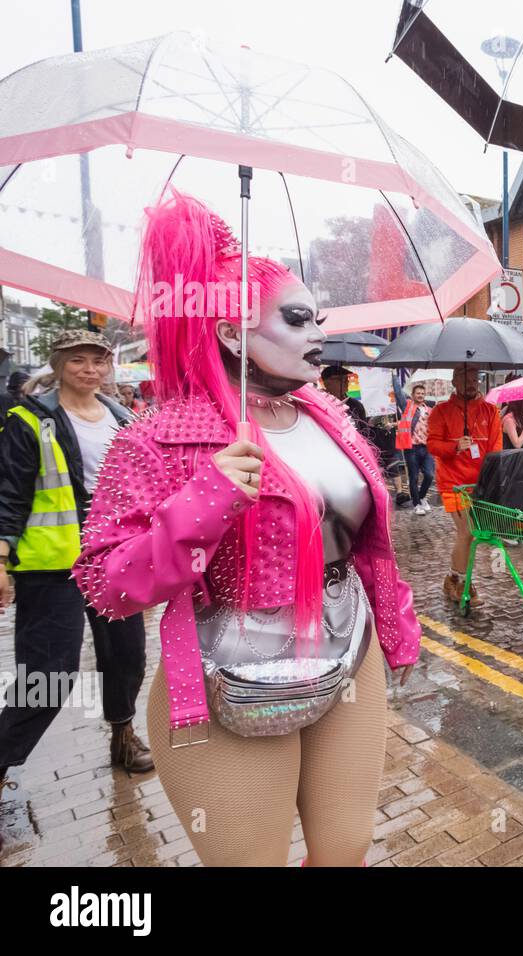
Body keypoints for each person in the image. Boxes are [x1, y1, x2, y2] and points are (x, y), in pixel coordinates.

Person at [71, 190, 421, 866]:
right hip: (225, 671)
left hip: (350, 647)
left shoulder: (329, 415)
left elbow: (372, 541)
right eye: (295, 318)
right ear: (232, 333)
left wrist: (398, 627)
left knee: (345, 849)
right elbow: (108, 584)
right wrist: (206, 499)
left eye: (317, 316)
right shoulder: (159, 440)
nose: (318, 331)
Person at [0, 330, 152, 797]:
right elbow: (8, 494)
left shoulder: (122, 417)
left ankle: (123, 737)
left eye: (98, 361)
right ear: (59, 363)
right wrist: (2, 559)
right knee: (49, 675)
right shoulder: (28, 419)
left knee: (126, 657)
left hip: (114, 559)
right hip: (50, 566)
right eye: (78, 361)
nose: (90, 370)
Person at [428, 364, 502, 607]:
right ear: (454, 380)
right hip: (453, 484)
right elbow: (433, 446)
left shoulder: (491, 412)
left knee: (468, 535)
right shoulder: (440, 412)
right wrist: (455, 446)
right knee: (467, 533)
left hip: (479, 486)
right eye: (464, 376)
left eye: (474, 376)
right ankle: (462, 584)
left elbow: (495, 451)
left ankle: (452, 578)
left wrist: (492, 485)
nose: (471, 381)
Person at [395, 383, 435, 514]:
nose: (420, 395)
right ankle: (417, 504)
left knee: (429, 475)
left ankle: (422, 497)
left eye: (422, 393)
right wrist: (394, 376)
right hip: (412, 448)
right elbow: (399, 394)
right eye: (418, 393)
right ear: (412, 395)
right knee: (414, 477)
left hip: (427, 447)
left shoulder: (429, 410)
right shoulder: (407, 407)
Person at [319, 364, 370, 430]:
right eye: (339, 379)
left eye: (347, 379)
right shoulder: (319, 401)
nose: (346, 381)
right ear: (326, 382)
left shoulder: (356, 405)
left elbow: (364, 431)